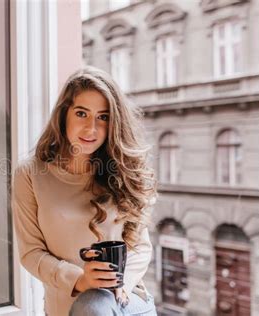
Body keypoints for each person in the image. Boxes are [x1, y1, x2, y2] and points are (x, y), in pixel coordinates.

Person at [12, 66, 158, 316]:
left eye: (103, 117)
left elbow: (141, 247)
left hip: (125, 304)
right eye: (82, 113)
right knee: (89, 306)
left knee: (95, 305)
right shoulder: (30, 174)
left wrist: (121, 285)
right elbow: (31, 253)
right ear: (63, 115)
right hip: (66, 309)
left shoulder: (120, 171)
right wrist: (80, 280)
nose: (92, 128)